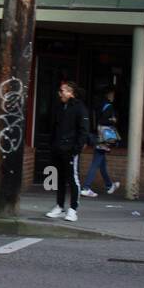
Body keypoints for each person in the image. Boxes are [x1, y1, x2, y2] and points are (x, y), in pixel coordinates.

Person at [46, 81, 91, 222]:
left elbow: (84, 130)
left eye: (63, 90)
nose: (60, 93)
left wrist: (76, 148)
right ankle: (59, 206)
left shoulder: (79, 108)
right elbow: (55, 127)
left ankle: (73, 209)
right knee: (59, 179)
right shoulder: (60, 107)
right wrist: (52, 145)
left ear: (71, 92)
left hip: (70, 149)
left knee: (73, 179)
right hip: (58, 148)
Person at [81, 86, 120, 197]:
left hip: (97, 135)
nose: (113, 97)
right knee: (96, 162)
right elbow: (104, 121)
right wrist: (113, 120)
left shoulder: (98, 105)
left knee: (101, 162)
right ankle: (86, 187)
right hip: (104, 137)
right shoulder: (109, 107)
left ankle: (109, 185)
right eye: (112, 94)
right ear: (108, 95)